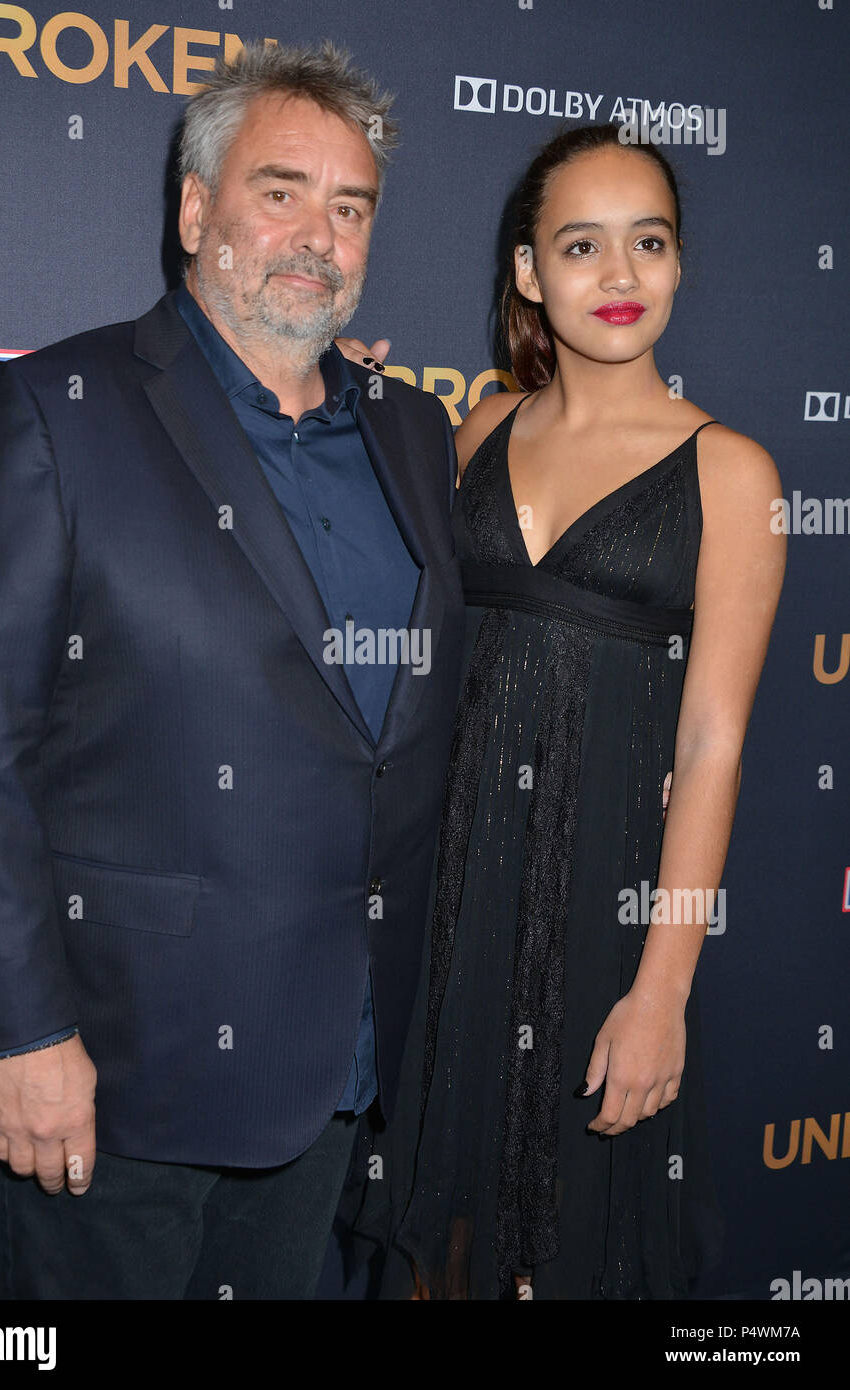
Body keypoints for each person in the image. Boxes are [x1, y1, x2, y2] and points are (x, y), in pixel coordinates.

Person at [0, 41, 466, 1299]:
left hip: (338, 1063)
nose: (318, 233)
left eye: (351, 204)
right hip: (112, 1071)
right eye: (281, 190)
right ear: (196, 208)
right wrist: (22, 1032)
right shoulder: (50, 413)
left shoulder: (415, 430)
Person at [338, 123, 785, 1299]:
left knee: (576, 1238)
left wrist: (664, 986)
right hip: (448, 890)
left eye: (650, 242)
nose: (622, 276)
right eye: (582, 246)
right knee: (437, 1232)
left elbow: (714, 741)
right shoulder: (479, 428)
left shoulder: (732, 472)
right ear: (530, 273)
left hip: (605, 903)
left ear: (681, 264)